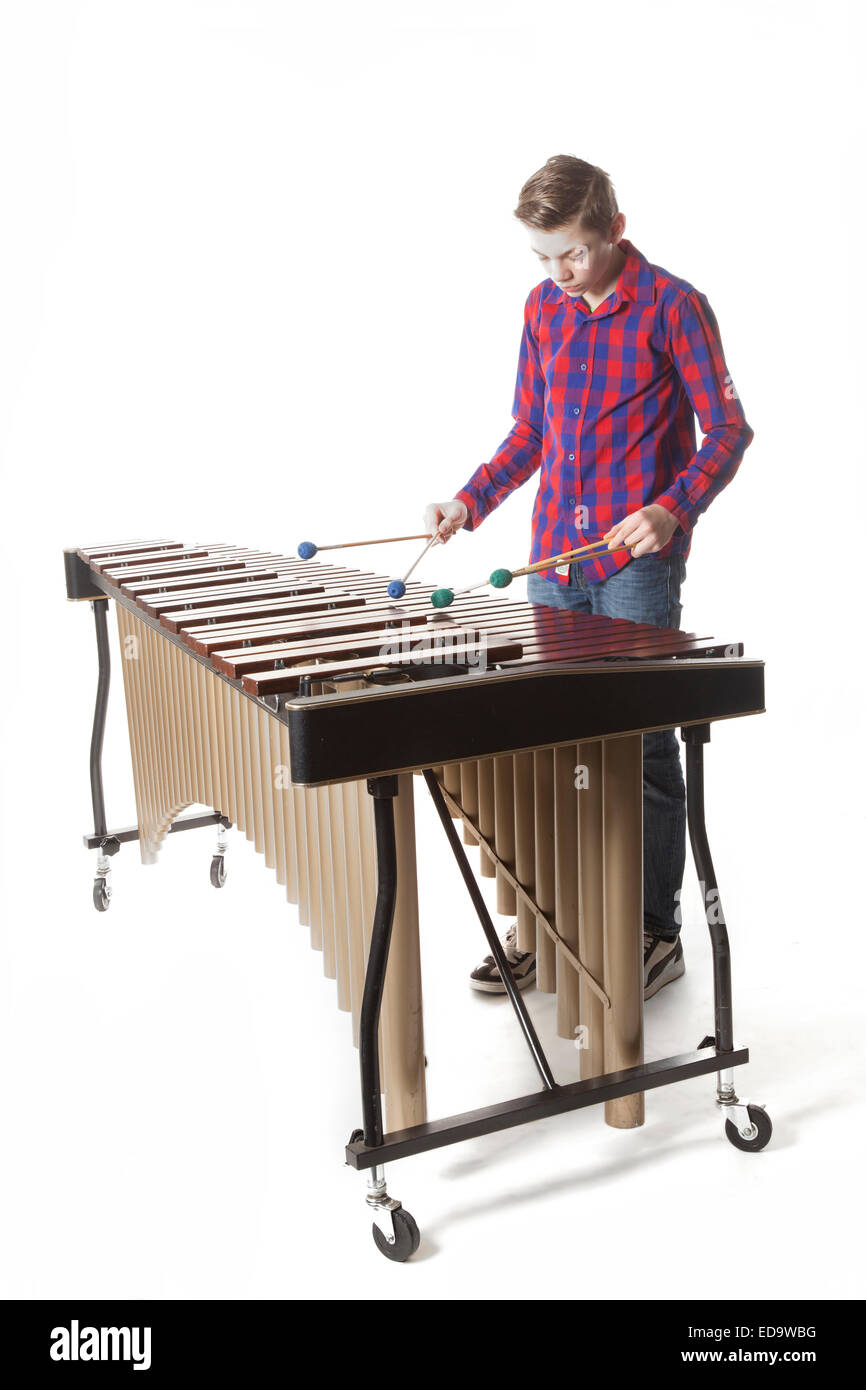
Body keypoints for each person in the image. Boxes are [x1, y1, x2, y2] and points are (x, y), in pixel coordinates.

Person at [424, 154, 753, 1001]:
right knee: (552, 743)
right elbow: (530, 433)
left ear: (613, 227)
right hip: (552, 566)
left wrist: (672, 510)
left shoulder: (675, 306)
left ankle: (652, 931)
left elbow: (727, 432)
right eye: (540, 257)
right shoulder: (542, 309)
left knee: (642, 747)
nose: (556, 272)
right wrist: (471, 500)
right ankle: (548, 924)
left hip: (636, 568)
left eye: (569, 253)